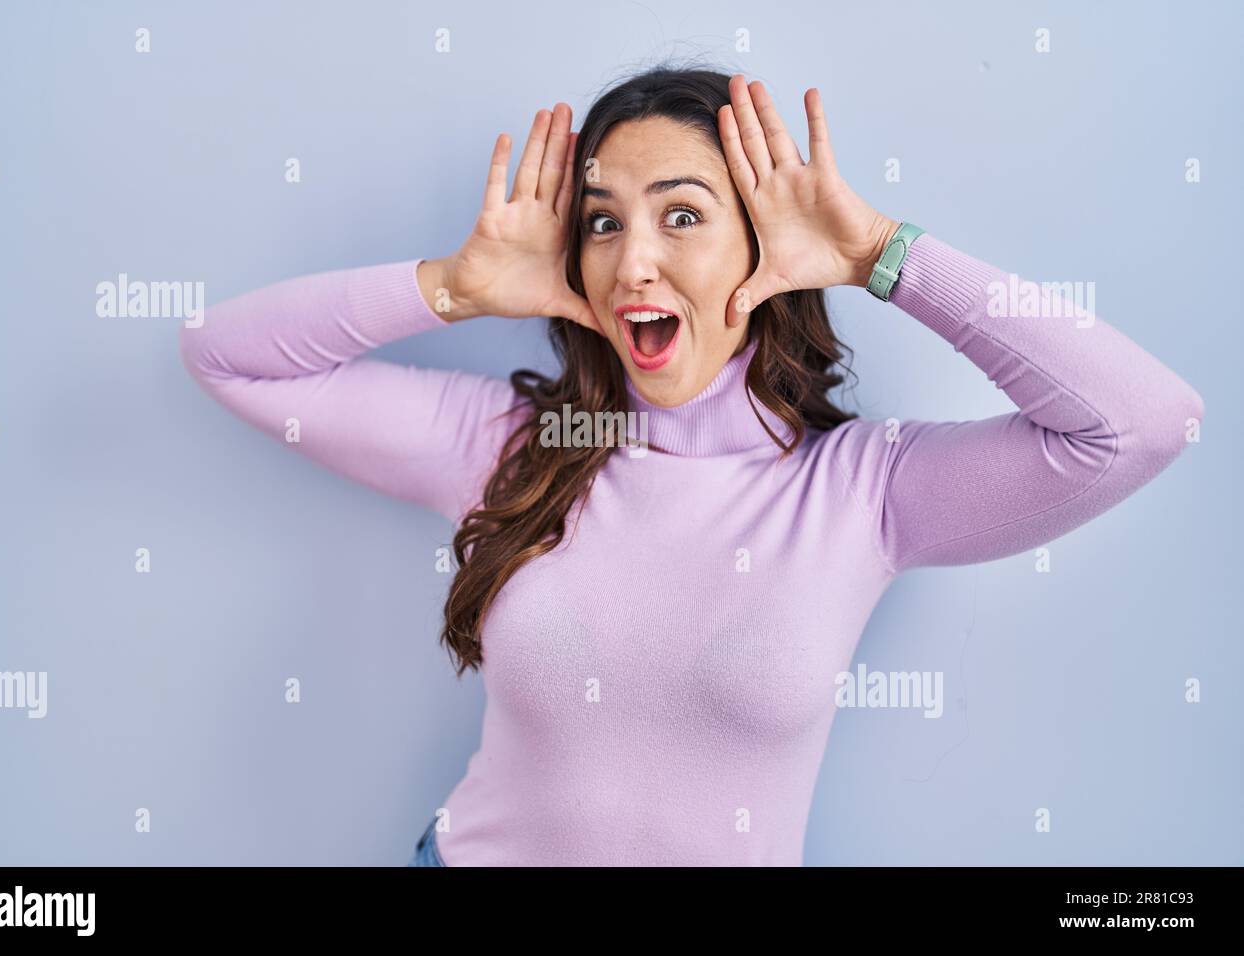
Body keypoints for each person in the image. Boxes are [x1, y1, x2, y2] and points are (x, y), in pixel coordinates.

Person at [179, 67, 1203, 866]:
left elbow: (1144, 424)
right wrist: (453, 285)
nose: (633, 262)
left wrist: (880, 254)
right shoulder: (515, 449)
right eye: (601, 221)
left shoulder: (863, 490)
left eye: (681, 215)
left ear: (768, 248)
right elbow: (224, 354)